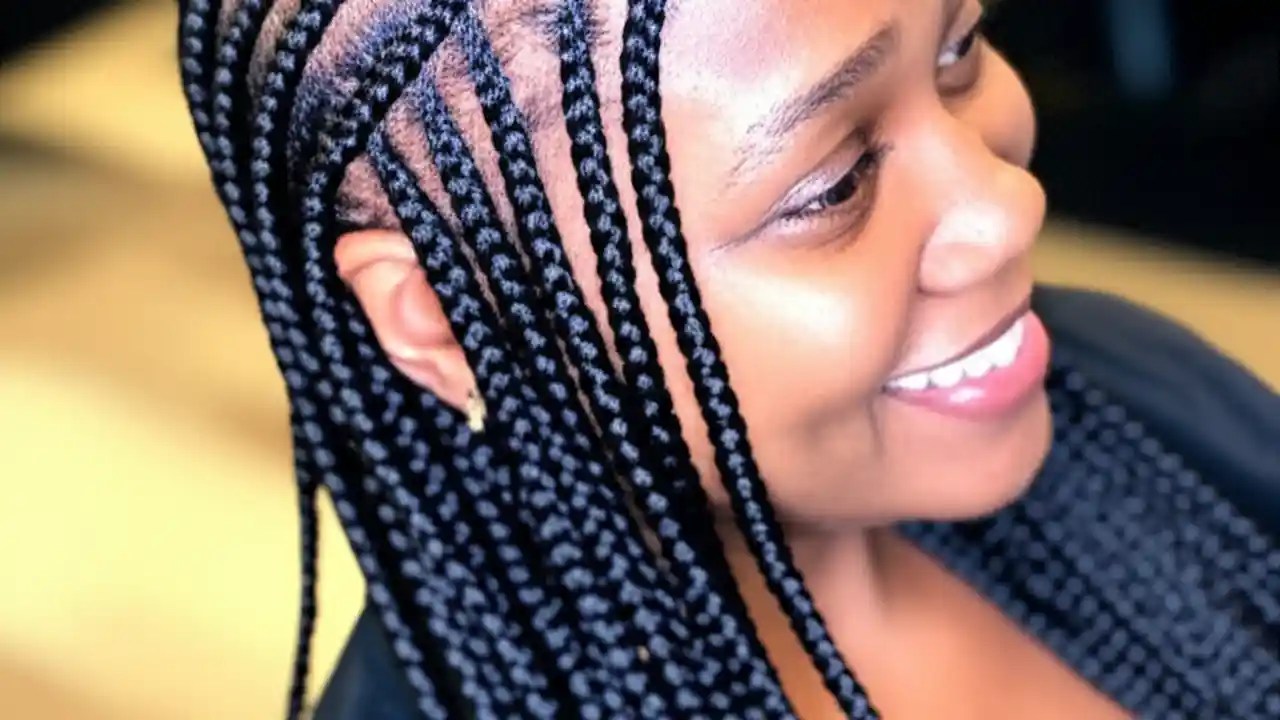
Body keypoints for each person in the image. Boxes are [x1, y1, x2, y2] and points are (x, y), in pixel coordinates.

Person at [177, 0, 1280, 717]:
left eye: (955, 51)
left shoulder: (1125, 388)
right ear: (444, 316)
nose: (1006, 205)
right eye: (831, 188)